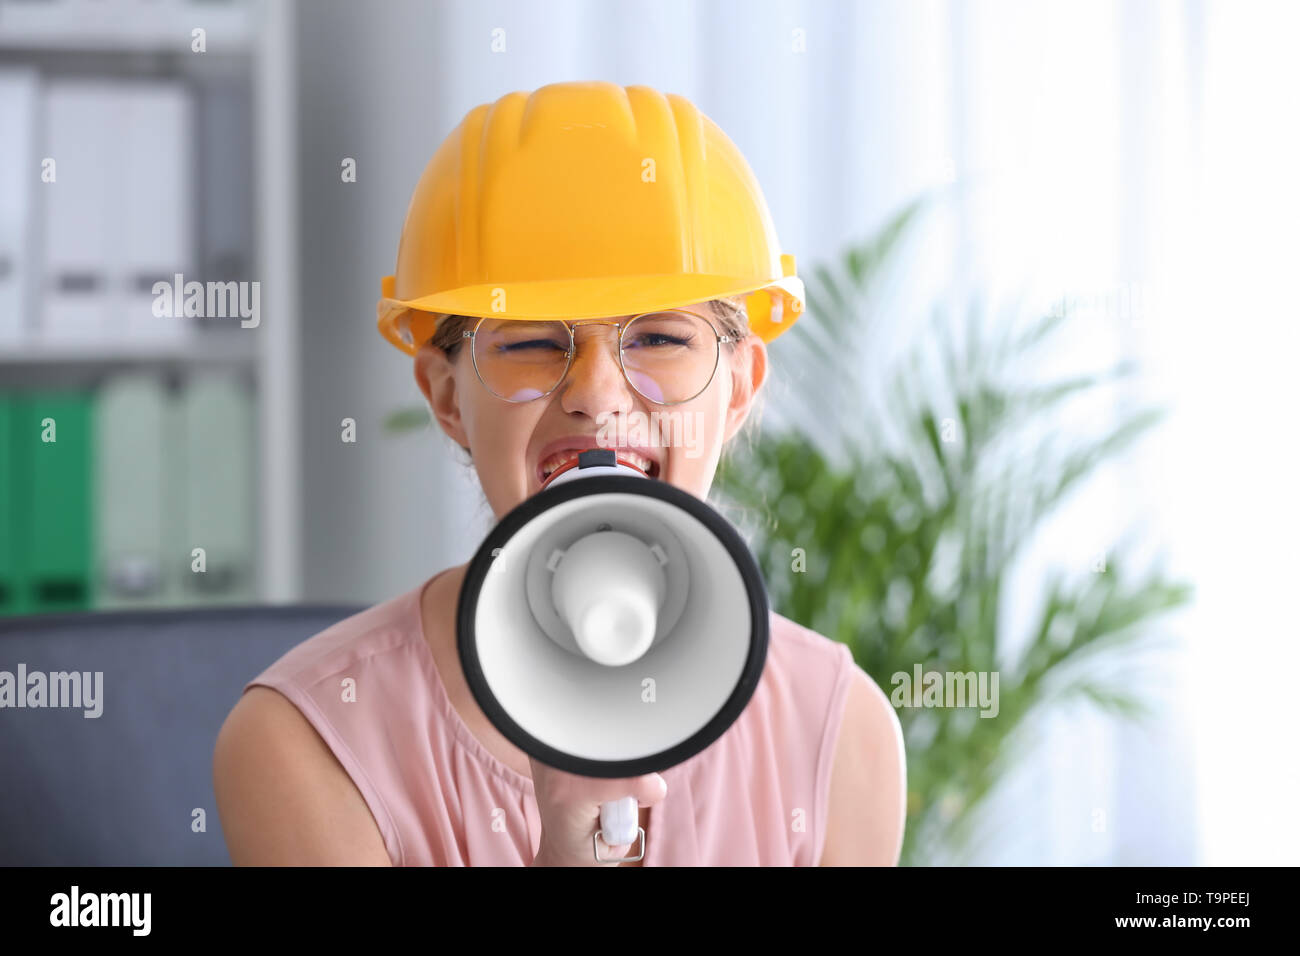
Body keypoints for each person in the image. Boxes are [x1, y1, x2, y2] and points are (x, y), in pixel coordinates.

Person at [213, 81, 905, 867]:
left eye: (658, 340)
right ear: (446, 397)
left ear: (739, 388)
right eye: (530, 342)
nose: (597, 395)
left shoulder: (838, 731)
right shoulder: (307, 741)